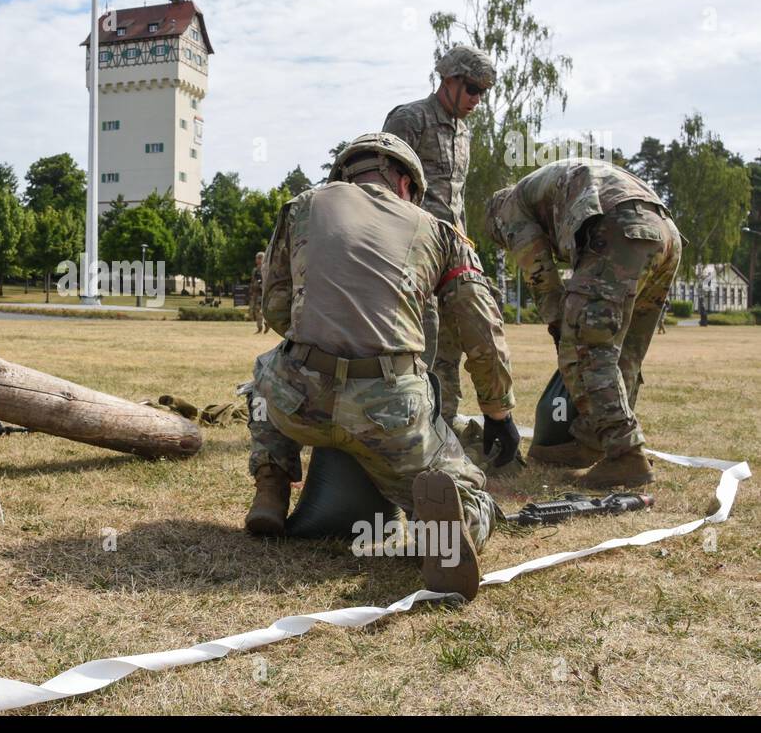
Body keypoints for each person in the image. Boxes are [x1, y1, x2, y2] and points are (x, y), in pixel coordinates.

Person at [245, 132, 518, 599]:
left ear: (344, 175)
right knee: (468, 487)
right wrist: (499, 413)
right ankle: (457, 531)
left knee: (262, 376)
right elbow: (481, 328)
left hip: (297, 399)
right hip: (389, 411)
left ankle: (271, 487)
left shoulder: (302, 206)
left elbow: (275, 307)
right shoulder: (440, 232)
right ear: (407, 184)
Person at [487, 158, 681, 489]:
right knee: (624, 352)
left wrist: (563, 329)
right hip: (666, 235)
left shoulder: (510, 208)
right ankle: (595, 439)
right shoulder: (543, 188)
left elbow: (541, 277)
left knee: (587, 345)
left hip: (619, 228)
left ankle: (625, 454)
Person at [382, 44, 497, 429]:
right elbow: (386, 190)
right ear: (448, 80)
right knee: (421, 337)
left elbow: (456, 195)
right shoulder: (409, 118)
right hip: (413, 247)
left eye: (484, 92)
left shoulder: (463, 131)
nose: (477, 100)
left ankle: (442, 422)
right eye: (472, 88)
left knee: (455, 338)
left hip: (454, 248)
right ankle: (407, 424)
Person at [249, 251, 268, 334]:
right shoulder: (255, 270)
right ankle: (263, 325)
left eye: (258, 258)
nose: (256, 260)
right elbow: (252, 281)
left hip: (262, 293)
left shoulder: (266, 269)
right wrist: (251, 290)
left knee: (259, 310)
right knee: (254, 311)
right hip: (255, 293)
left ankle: (263, 326)